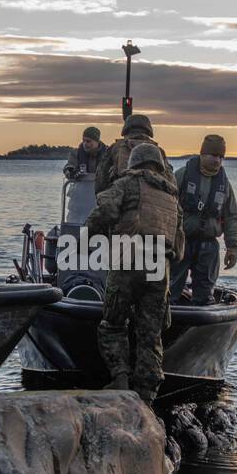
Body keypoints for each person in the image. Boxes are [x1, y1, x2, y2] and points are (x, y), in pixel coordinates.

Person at [86, 142, 184, 403]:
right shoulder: (172, 197)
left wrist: (89, 235)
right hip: (158, 268)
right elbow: (179, 244)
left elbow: (104, 210)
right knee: (150, 333)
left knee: (113, 323)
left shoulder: (126, 184)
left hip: (127, 259)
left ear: (134, 163)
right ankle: (147, 396)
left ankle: (119, 378)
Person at [170, 134, 237, 305]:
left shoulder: (224, 184)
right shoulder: (182, 176)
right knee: (170, 288)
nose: (217, 160)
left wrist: (232, 247)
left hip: (209, 246)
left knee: (204, 292)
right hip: (181, 242)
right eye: (214, 155)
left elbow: (231, 217)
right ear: (202, 154)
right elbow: (166, 206)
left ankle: (199, 324)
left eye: (221, 157)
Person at [96, 114, 153, 193]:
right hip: (152, 198)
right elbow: (170, 181)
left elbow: (101, 178)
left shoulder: (115, 147)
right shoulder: (157, 149)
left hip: (121, 196)